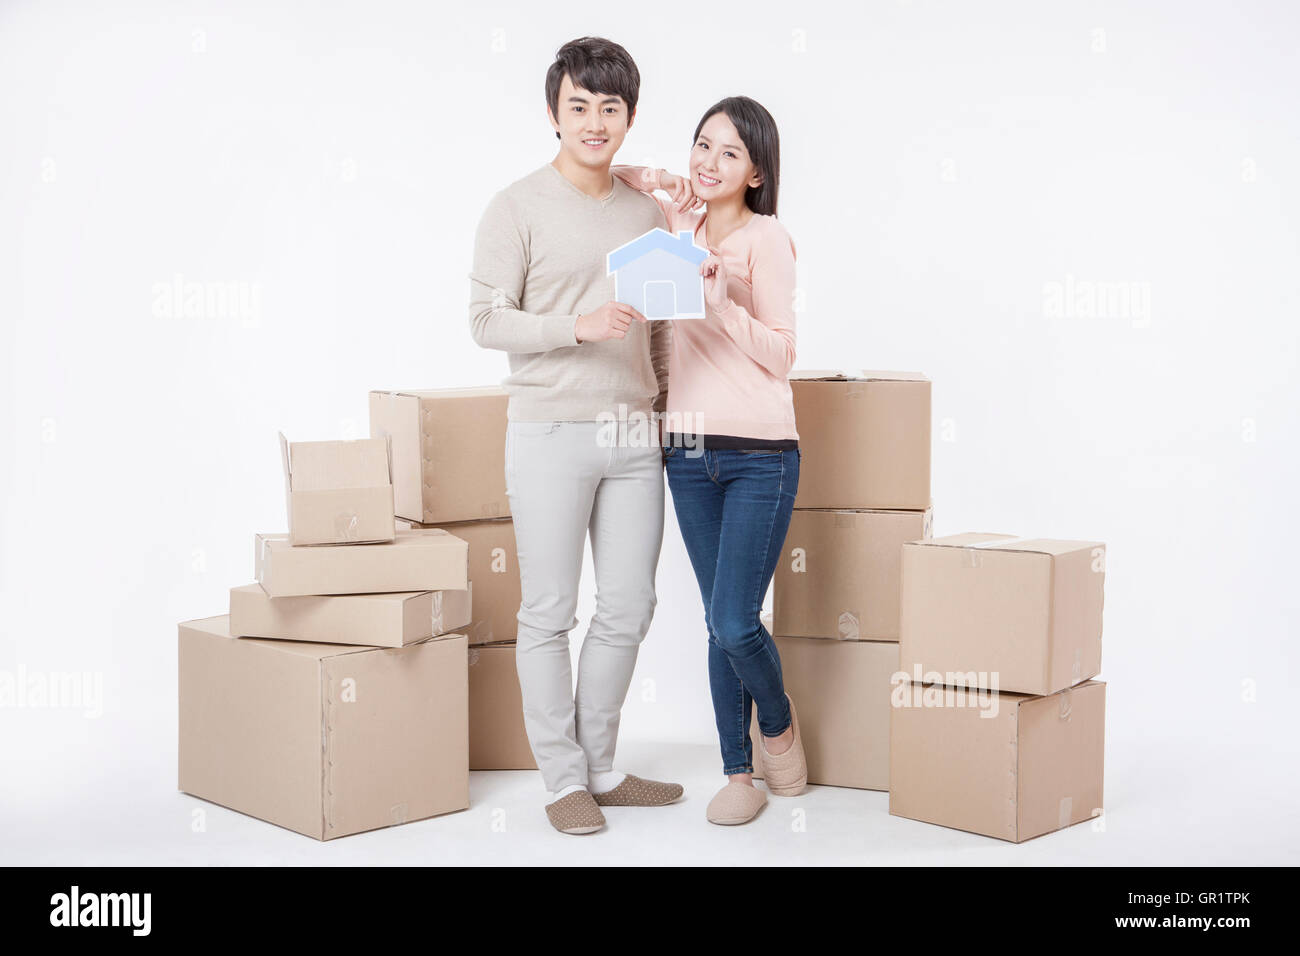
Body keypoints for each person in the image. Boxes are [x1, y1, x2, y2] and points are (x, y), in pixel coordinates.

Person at [468, 37, 687, 836]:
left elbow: (659, 329)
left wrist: (662, 413)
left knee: (629, 604)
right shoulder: (516, 206)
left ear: (629, 115)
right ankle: (563, 780)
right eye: (580, 106)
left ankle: (601, 767)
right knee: (550, 611)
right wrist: (579, 326)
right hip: (549, 428)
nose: (595, 122)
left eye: (611, 107)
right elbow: (485, 321)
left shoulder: (645, 210)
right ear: (554, 113)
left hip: (635, 433)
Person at [611, 95, 806, 826]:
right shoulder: (677, 225)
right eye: (703, 145)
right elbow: (615, 172)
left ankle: (778, 724)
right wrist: (665, 178)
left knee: (734, 621)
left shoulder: (767, 239)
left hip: (760, 454)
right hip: (687, 453)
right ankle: (738, 772)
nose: (711, 162)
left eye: (730, 153)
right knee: (715, 620)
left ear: (757, 172)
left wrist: (721, 301)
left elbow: (784, 355)